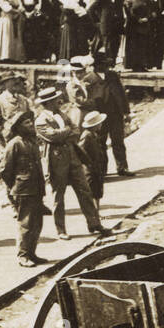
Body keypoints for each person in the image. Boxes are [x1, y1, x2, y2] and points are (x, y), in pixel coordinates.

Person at [36, 89, 109, 240]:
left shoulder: (62, 114)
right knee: (58, 196)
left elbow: (76, 130)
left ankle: (94, 223)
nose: (59, 101)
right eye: (56, 99)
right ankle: (61, 229)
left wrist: (65, 132)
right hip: (56, 160)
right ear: (47, 103)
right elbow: (52, 137)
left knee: (85, 191)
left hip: (73, 156)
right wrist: (67, 131)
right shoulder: (41, 120)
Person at [0, 109, 49, 266]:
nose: (30, 125)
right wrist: (14, 188)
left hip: (36, 188)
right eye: (26, 123)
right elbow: (5, 171)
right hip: (23, 189)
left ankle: (32, 253)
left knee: (37, 223)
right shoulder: (14, 144)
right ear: (18, 127)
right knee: (25, 223)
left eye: (31, 122)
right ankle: (22, 256)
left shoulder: (32, 142)